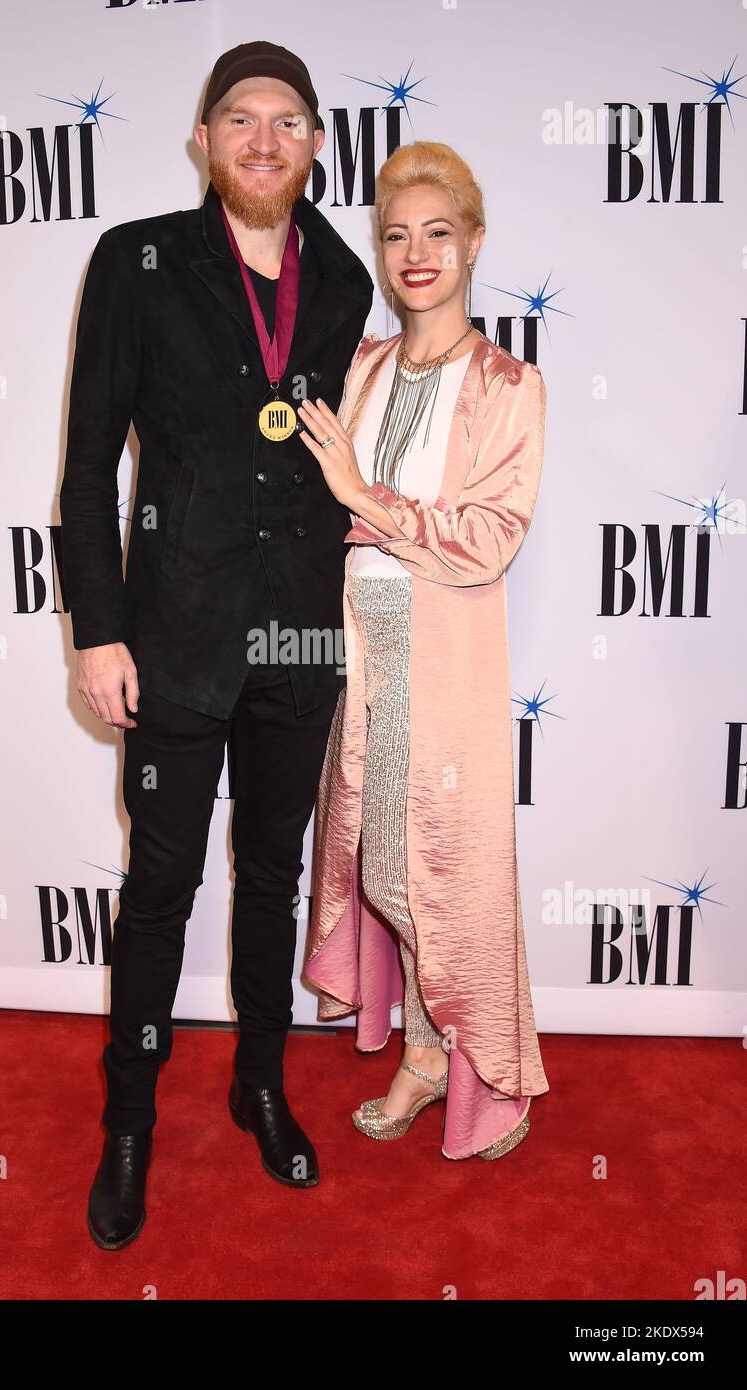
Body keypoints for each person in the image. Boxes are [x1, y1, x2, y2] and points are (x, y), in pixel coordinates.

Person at [59, 40, 373, 1250]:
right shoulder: (135, 262)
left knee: (273, 880)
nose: (262, 139)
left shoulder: (345, 276)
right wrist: (99, 632)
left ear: (312, 143)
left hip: (299, 633)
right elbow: (89, 466)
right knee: (158, 889)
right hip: (175, 637)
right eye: (238, 118)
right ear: (203, 139)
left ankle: (259, 1082)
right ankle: (127, 1120)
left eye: (286, 120)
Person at [301, 140, 550, 1161]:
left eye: (436, 233)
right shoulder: (358, 364)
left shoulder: (507, 384)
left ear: (473, 243)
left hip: (439, 665)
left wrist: (367, 501)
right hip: (359, 661)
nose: (414, 254)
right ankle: (425, 1048)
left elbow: (490, 538)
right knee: (377, 866)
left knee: (441, 876)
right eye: (396, 235)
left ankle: (473, 1064)